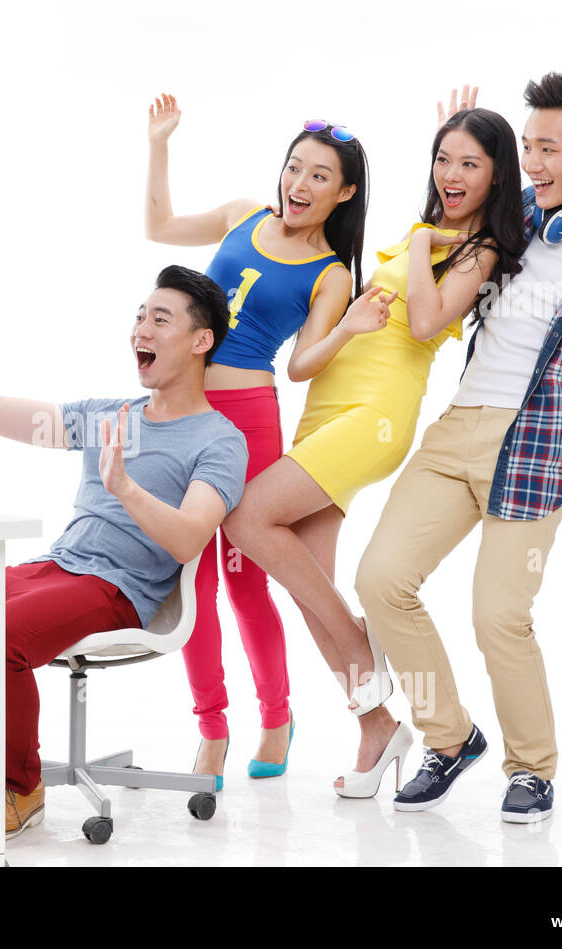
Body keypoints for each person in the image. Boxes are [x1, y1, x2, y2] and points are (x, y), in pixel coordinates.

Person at [0, 238, 248, 844]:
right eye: (139, 315)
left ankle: (22, 786)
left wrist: (128, 490)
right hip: (52, 570)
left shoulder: (221, 441)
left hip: (118, 589)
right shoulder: (107, 414)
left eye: (160, 319)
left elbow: (191, 538)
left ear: (200, 341)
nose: (141, 327)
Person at [354, 73, 562, 822]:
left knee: (498, 614)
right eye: (525, 146)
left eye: (546, 148)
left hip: (535, 446)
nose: (532, 161)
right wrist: (460, 152)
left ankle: (532, 769)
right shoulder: (517, 215)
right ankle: (449, 736)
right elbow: (435, 263)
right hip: (457, 427)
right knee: (380, 581)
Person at [225, 98, 527, 798]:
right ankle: (381, 725)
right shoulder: (430, 230)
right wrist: (423, 231)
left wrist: (422, 243)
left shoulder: (476, 250)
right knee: (308, 588)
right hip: (325, 406)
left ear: (496, 177)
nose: (451, 173)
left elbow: (423, 322)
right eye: (444, 158)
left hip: (375, 416)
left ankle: (365, 646)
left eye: (470, 164)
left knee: (248, 520)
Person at [145, 93, 386, 782]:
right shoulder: (241, 216)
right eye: (294, 168)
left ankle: (277, 717)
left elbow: (303, 363)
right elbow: (159, 224)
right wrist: (161, 141)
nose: (298, 185)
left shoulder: (331, 273)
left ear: (343, 193)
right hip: (178, 409)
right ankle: (213, 729)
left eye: (318, 176)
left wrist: (346, 328)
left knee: (245, 579)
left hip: (248, 413)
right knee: (187, 579)